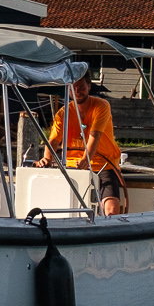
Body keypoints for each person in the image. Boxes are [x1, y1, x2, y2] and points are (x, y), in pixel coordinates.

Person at [41, 72, 127, 216]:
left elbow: (95, 135)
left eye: (81, 87)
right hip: (71, 167)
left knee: (112, 210)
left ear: (89, 87)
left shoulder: (101, 106)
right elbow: (54, 140)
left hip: (103, 165)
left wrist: (86, 159)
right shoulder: (63, 113)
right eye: (72, 88)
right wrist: (47, 159)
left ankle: (109, 227)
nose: (77, 91)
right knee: (57, 204)